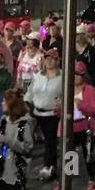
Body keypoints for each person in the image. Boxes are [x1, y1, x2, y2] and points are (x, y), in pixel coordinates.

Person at [55, 61, 95, 190]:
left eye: (78, 74)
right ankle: (67, 184)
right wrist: (57, 109)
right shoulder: (67, 88)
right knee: (69, 156)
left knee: (88, 156)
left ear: (83, 75)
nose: (75, 77)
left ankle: (91, 180)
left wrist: (82, 106)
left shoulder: (89, 90)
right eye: (73, 74)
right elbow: (60, 111)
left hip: (85, 128)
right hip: (70, 127)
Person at [28, 48, 63, 182]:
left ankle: (49, 166)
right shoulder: (38, 76)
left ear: (57, 61)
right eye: (46, 58)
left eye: (51, 58)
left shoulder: (62, 78)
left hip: (51, 114)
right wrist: (26, 104)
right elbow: (30, 92)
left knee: (50, 141)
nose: (48, 61)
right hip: (36, 112)